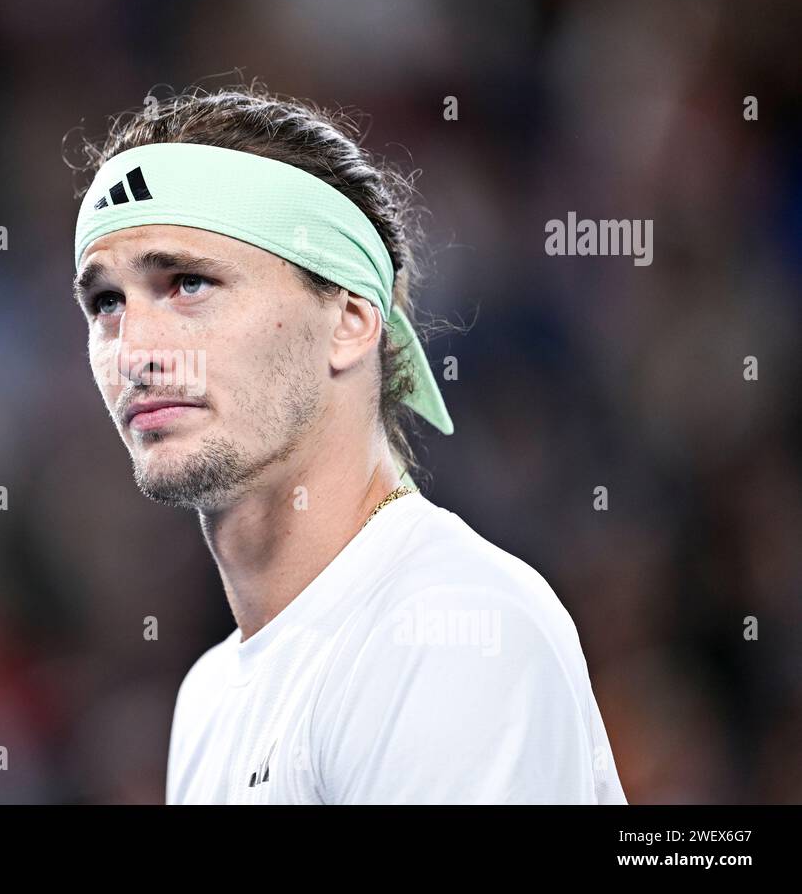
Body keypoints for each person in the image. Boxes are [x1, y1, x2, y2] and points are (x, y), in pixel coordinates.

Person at [69, 84, 627, 804]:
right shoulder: (208, 698)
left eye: (188, 284)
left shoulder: (452, 630)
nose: (135, 352)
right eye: (106, 303)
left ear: (351, 323)